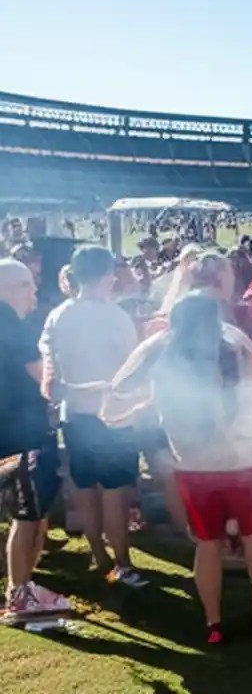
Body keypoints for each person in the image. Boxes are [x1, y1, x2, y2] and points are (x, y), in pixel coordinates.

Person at [102, 293, 252, 644]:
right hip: (249, 458)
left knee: (207, 543)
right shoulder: (235, 340)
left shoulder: (160, 347)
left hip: (194, 464)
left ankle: (213, 624)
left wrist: (149, 401)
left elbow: (117, 390)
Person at [39, 246, 146, 588]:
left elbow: (50, 369)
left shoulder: (58, 314)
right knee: (114, 491)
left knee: (84, 489)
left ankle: (100, 556)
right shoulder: (114, 316)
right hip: (112, 416)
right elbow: (132, 367)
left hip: (74, 416)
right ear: (105, 276)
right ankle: (123, 565)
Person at [0, 259, 72, 621]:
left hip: (11, 432)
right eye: (27, 284)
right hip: (20, 435)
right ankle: (18, 594)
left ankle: (25, 585)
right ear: (9, 288)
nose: (33, 292)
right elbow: (42, 380)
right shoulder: (11, 325)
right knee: (26, 516)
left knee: (31, 513)